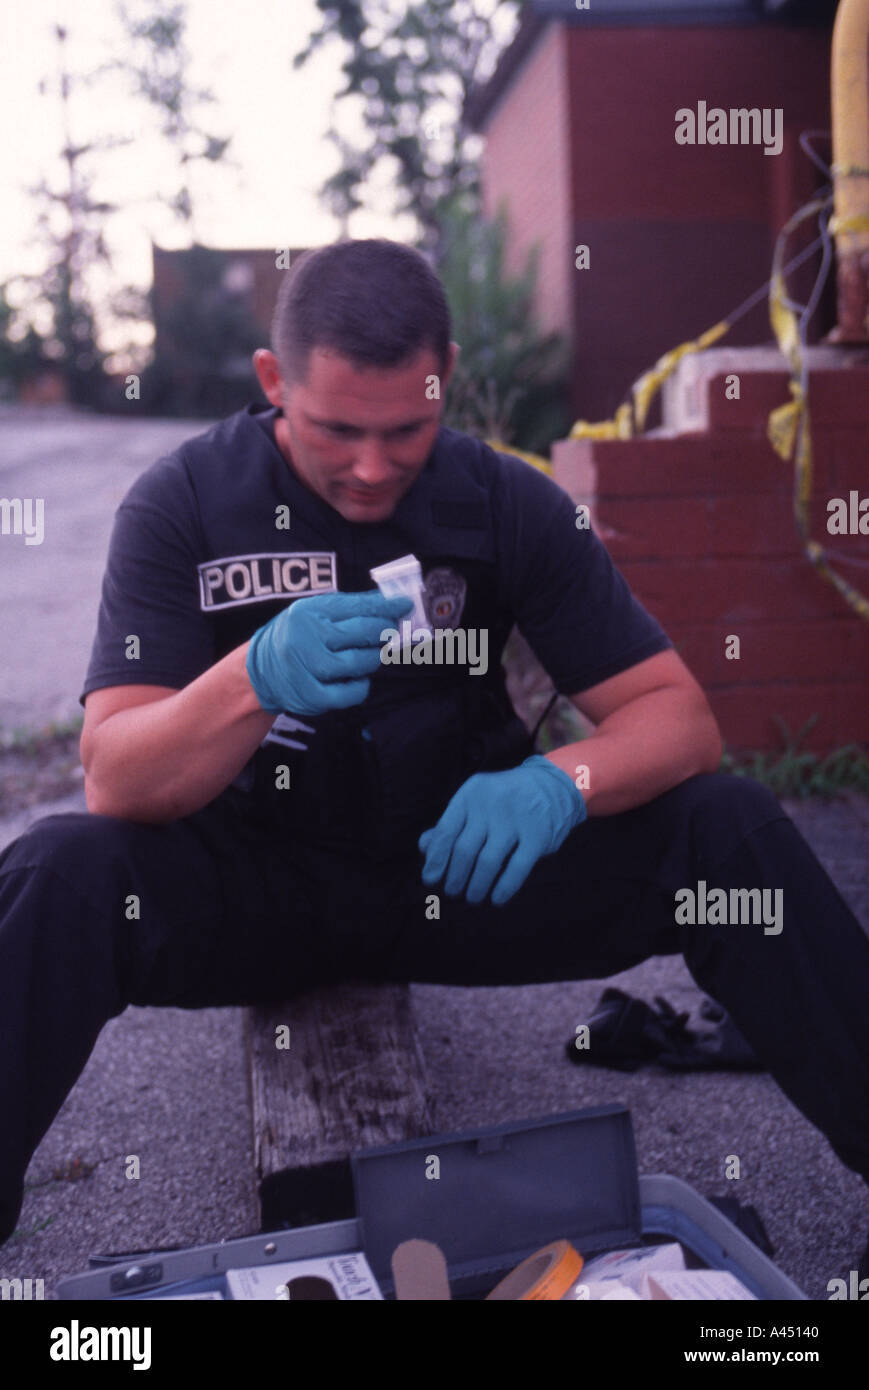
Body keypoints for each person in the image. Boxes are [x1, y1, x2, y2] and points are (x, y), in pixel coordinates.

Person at [1, 238, 867, 1262]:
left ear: (444, 376)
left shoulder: (501, 502)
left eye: (405, 429)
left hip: (457, 871)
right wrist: (246, 678)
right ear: (275, 383)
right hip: (253, 889)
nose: (371, 467)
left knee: (727, 830)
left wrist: (556, 783)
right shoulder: (183, 502)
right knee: (58, 869)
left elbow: (677, 719)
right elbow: (115, 774)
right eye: (335, 431)